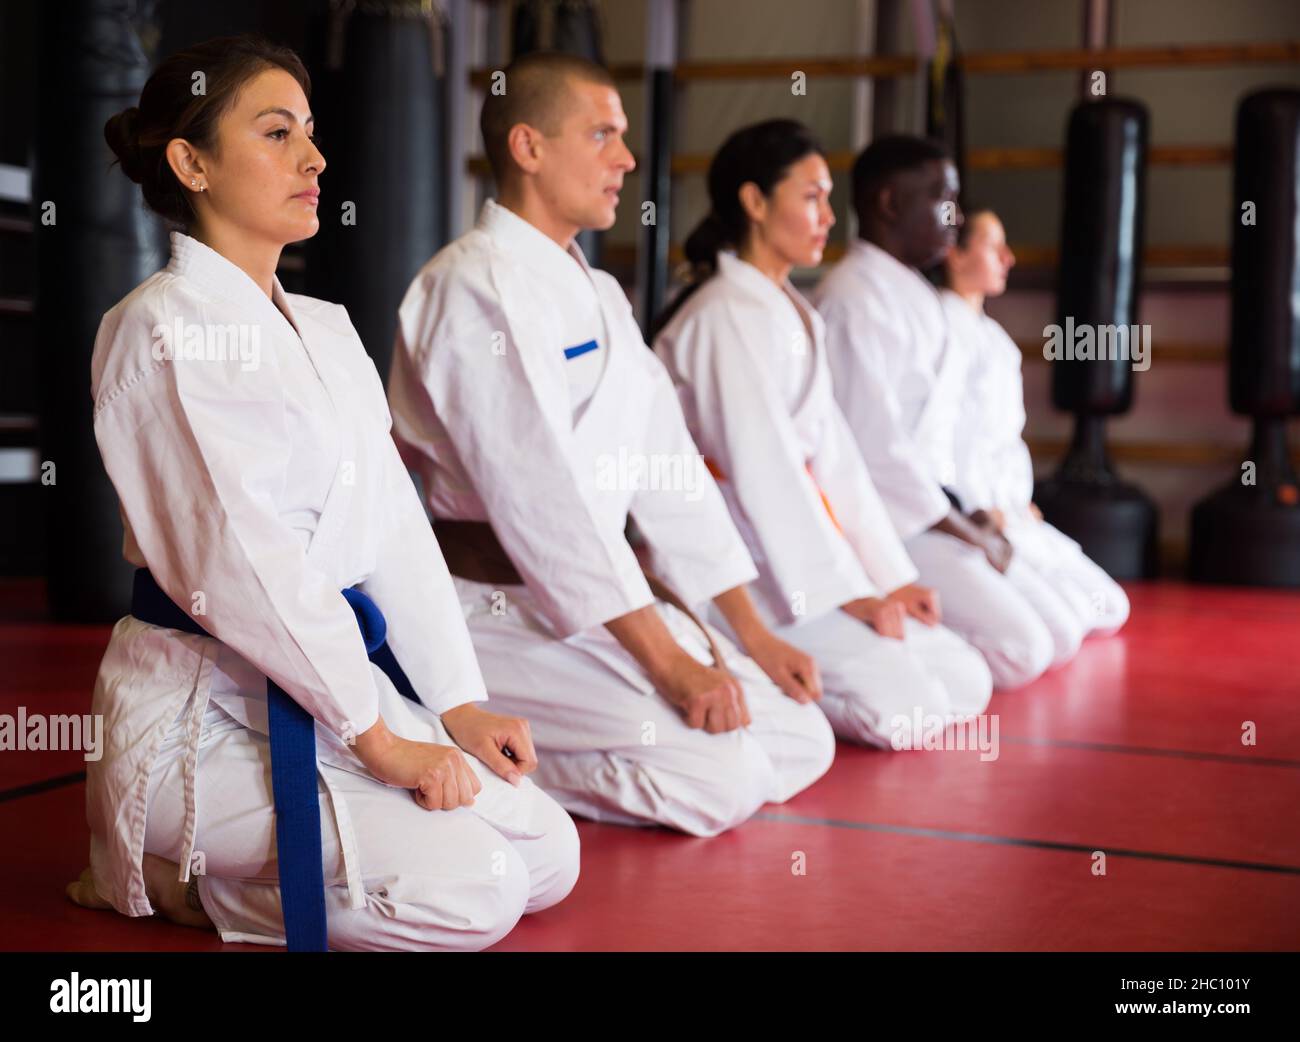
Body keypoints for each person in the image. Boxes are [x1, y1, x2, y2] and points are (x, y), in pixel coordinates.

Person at [67, 35, 578, 952]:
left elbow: (393, 532)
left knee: (551, 855)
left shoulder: (325, 328)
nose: (314, 158)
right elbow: (244, 564)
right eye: (275, 133)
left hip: (331, 683)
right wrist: (383, 742)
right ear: (191, 162)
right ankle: (166, 879)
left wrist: (455, 705)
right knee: (480, 889)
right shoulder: (159, 329)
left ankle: (228, 870)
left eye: (310, 131)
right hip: (201, 716)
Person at [388, 53, 835, 837]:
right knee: (722, 777)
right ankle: (495, 755)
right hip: (496, 603)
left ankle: (580, 740)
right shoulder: (472, 285)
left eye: (622, 137)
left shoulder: (595, 291)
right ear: (528, 148)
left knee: (802, 737)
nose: (625, 159)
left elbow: (670, 477)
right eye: (602, 135)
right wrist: (667, 662)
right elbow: (542, 504)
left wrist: (751, 634)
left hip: (599, 595)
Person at [651, 120, 992, 748]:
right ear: (754, 202)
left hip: (801, 560)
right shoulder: (723, 316)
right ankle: (745, 655)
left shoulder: (790, 311)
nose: (828, 216)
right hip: (739, 573)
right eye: (810, 197)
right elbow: (766, 475)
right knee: (909, 710)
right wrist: (843, 594)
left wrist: (884, 578)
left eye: (828, 197)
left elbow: (838, 464)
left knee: (966, 677)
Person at [814, 135, 1077, 689]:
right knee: (1022, 649)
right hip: (889, 522)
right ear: (888, 204)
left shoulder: (911, 294)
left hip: (937, 509)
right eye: (942, 199)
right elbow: (874, 450)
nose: (955, 218)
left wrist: (973, 513)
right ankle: (895, 653)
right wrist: (960, 526)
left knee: (1062, 632)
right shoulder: (854, 298)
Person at [941, 209, 1129, 635]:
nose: (1009, 258)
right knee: (1065, 626)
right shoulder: (941, 326)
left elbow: (1004, 438)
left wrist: (1017, 499)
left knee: (1109, 607)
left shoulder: (994, 339)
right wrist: (977, 506)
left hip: (1012, 512)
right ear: (955, 254)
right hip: (974, 516)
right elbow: (947, 435)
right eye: (994, 246)